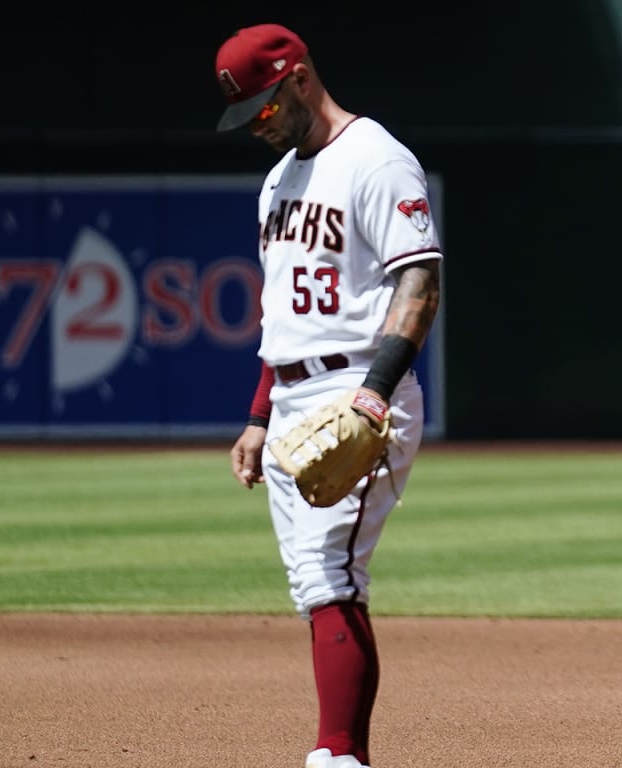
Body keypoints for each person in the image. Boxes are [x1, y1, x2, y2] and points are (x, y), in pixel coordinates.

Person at [218, 24, 442, 768]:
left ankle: (338, 755)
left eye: (262, 106)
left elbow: (420, 283)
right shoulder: (277, 180)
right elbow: (279, 313)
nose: (257, 123)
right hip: (290, 391)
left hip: (358, 383)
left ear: (301, 79)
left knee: (331, 571)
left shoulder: (376, 160)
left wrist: (374, 397)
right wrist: (257, 416)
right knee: (312, 580)